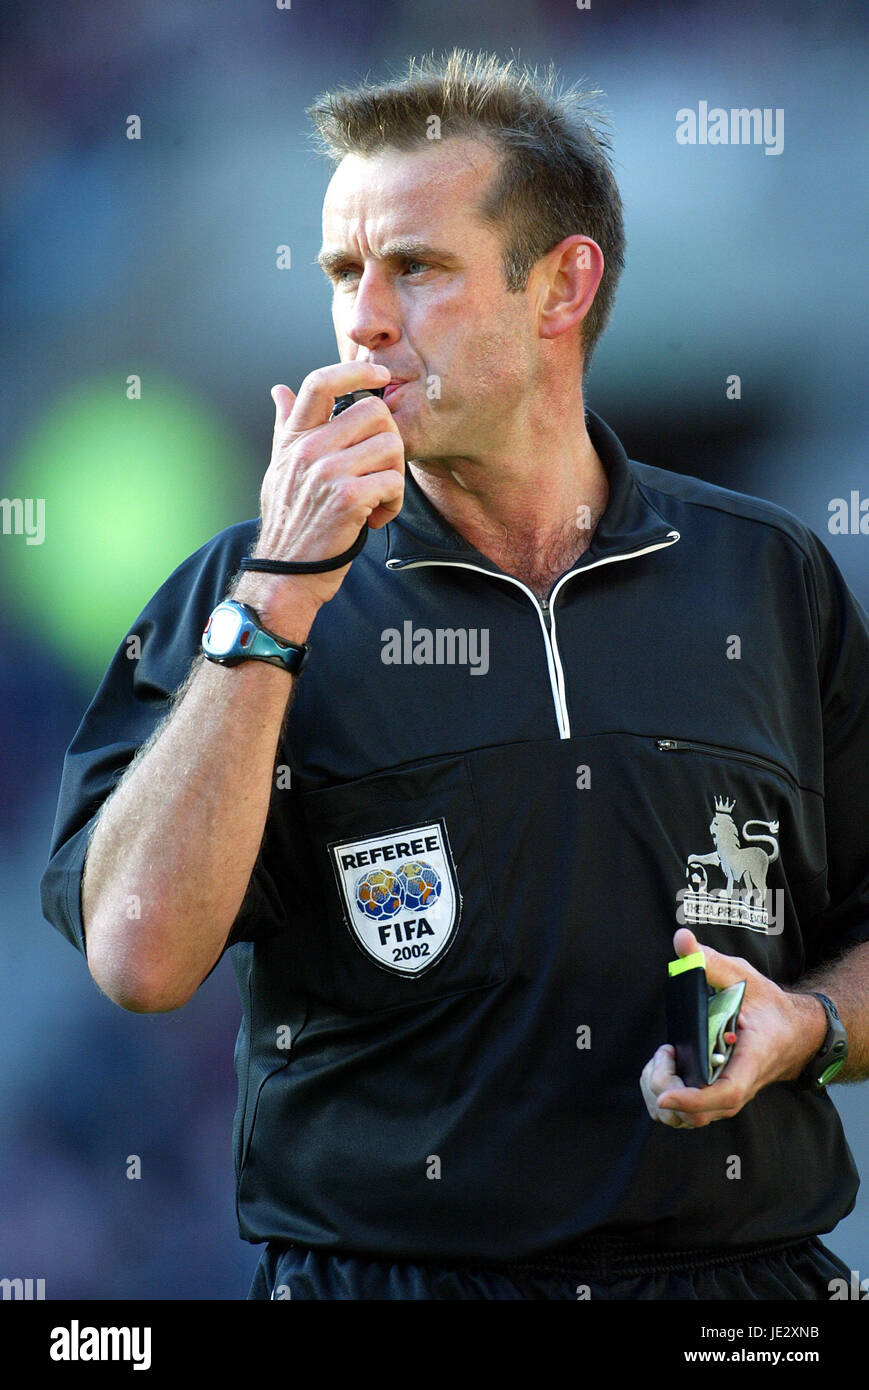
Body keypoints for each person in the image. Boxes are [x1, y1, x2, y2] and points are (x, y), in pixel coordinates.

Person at [41, 49, 869, 1301]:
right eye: (341, 273)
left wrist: (805, 1029)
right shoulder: (244, 594)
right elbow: (140, 960)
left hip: (738, 1293)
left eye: (414, 269)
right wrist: (273, 601)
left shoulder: (768, 579)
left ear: (561, 285)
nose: (362, 318)